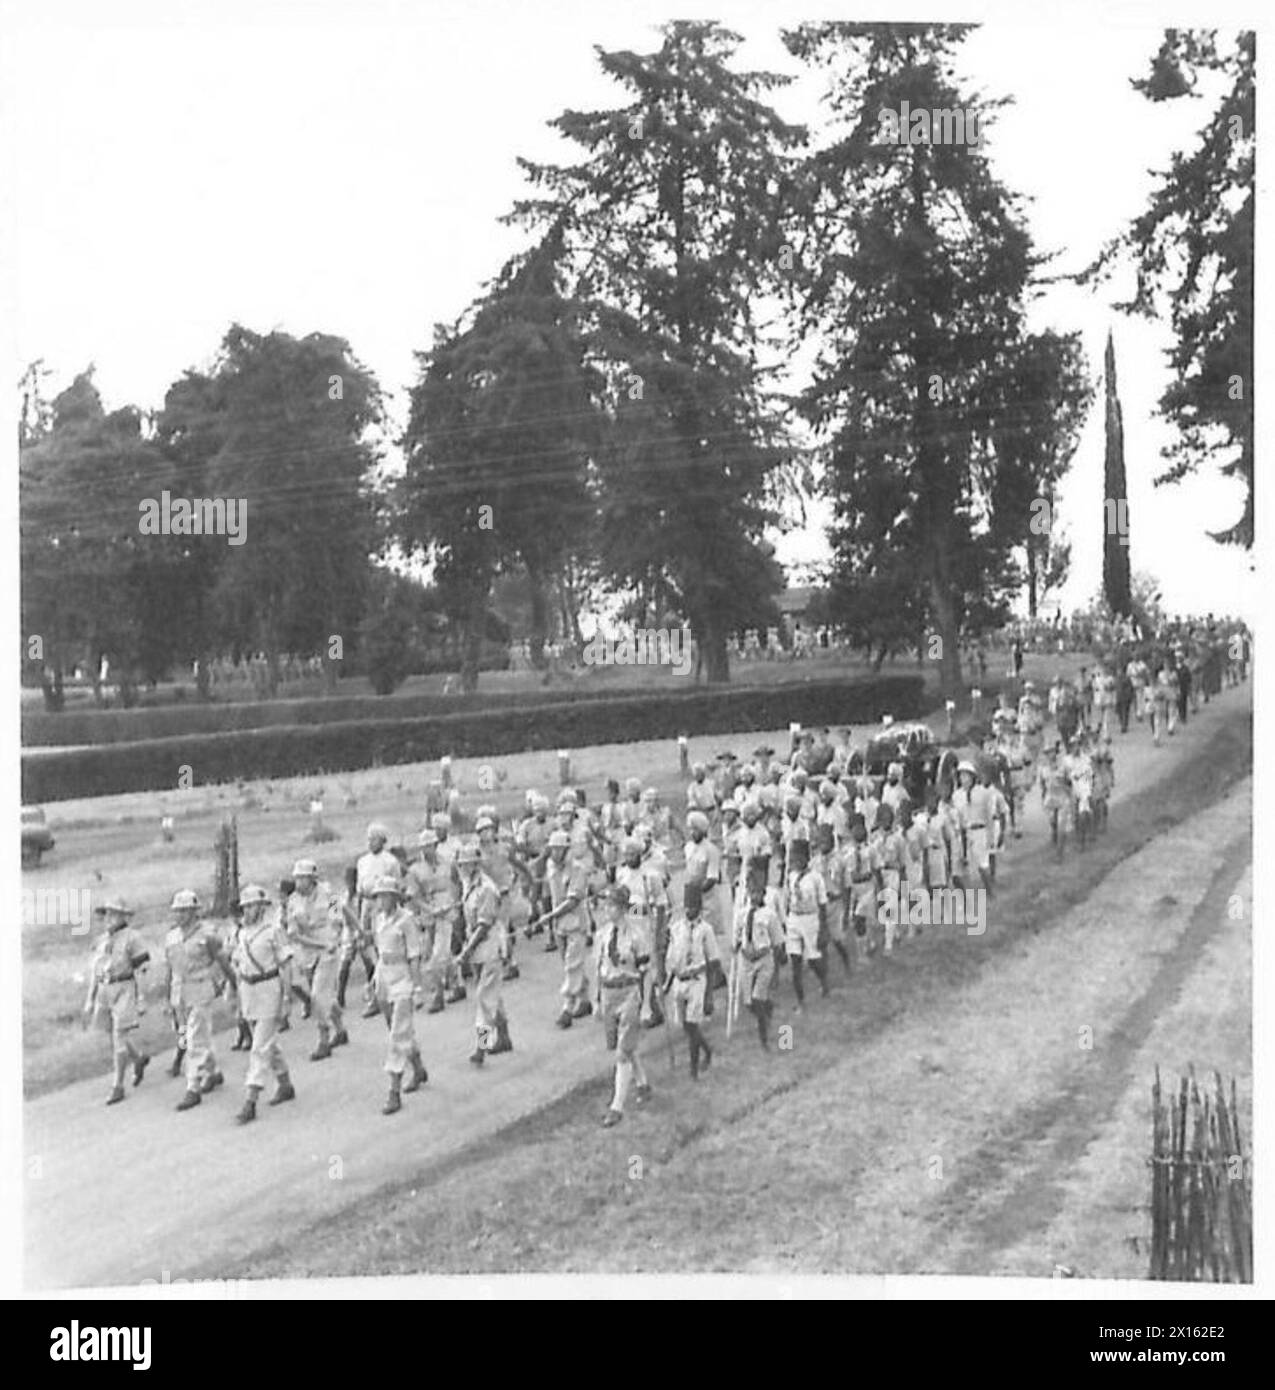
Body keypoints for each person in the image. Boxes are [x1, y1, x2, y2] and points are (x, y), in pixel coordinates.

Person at [229, 884, 296, 1125]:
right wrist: (237, 996)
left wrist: (287, 997)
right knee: (268, 1043)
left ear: (262, 907)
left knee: (258, 1047)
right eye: (245, 906)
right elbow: (237, 965)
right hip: (249, 991)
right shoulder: (240, 934)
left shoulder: (273, 931)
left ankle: (250, 1100)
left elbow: (286, 964)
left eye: (253, 905)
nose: (249, 910)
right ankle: (285, 1083)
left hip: (269, 988)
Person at [165, 889, 234, 1110]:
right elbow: (171, 967)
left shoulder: (207, 934)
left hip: (201, 987)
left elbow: (222, 959)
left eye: (185, 911)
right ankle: (212, 1071)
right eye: (177, 911)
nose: (180, 915)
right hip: (180, 990)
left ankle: (192, 1086)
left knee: (194, 1038)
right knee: (191, 1034)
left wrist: (233, 982)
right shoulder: (172, 937)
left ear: (195, 912)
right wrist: (169, 996)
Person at [367, 877, 428, 1115]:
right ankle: (417, 1065)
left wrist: (417, 987)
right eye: (379, 895)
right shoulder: (379, 918)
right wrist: (375, 978)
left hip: (403, 975)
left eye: (386, 895)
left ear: (395, 897)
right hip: (385, 973)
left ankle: (485, 1043)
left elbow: (414, 955)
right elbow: (377, 947)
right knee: (397, 1029)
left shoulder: (407, 920)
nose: (382, 900)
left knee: (487, 1005)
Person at [83, 899, 152, 1106]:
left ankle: (118, 1086)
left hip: (125, 987)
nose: (108, 919)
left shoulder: (133, 938)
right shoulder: (101, 941)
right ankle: (138, 1058)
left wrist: (141, 998)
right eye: (106, 915)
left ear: (123, 917)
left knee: (119, 1036)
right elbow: (95, 971)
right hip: (105, 989)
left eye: (113, 915)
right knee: (111, 1034)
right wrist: (90, 998)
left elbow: (141, 970)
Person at [595, 884, 652, 1128]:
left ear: (622, 908)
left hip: (629, 990)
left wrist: (647, 1004)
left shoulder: (636, 936)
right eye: (605, 904)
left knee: (622, 1052)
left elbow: (646, 972)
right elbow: (598, 968)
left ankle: (616, 1106)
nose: (606, 909)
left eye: (611, 905)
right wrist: (597, 999)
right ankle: (643, 1084)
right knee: (624, 1046)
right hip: (609, 992)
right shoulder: (602, 935)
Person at [455, 840, 513, 1065]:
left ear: (476, 865)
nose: (463, 868)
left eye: (467, 864)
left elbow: (484, 924)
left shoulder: (486, 888)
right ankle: (504, 1035)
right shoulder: (468, 884)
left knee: (484, 998)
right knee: (491, 994)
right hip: (477, 943)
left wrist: (465, 951)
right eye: (461, 864)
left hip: (487, 944)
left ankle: (482, 1046)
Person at [284, 860, 348, 1061]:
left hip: (328, 950)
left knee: (317, 996)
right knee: (324, 997)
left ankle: (323, 1039)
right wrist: (316, 944)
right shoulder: (293, 901)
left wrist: (336, 937)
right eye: (297, 878)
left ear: (312, 879)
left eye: (302, 878)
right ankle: (340, 1029)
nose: (298, 882)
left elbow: (339, 916)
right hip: (309, 951)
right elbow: (292, 934)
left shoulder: (328, 892)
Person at [663, 881, 721, 1080]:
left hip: (697, 979)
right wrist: (667, 984)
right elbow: (672, 959)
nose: (689, 911)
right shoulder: (676, 929)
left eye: (693, 907)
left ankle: (694, 1069)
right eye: (687, 907)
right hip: (680, 980)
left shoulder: (706, 930)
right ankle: (707, 1049)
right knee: (686, 1026)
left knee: (692, 1023)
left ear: (699, 908)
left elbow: (713, 961)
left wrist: (709, 995)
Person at [541, 829, 595, 1028]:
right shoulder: (551, 867)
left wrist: (548, 916)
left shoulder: (577, 869)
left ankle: (567, 1007)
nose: (555, 854)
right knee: (486, 1002)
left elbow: (572, 901)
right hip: (560, 926)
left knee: (572, 966)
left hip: (574, 923)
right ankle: (497, 1038)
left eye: (559, 850)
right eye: (552, 850)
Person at [615, 835, 669, 1028]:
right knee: (633, 968)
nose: (629, 858)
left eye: (632, 854)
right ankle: (645, 1006)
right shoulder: (621, 874)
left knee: (648, 968)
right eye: (626, 854)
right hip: (628, 927)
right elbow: (620, 902)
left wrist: (660, 931)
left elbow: (661, 904)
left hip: (647, 926)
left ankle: (654, 1008)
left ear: (639, 854)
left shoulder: (651, 876)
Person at [732, 861, 785, 1049]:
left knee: (757, 998)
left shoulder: (769, 915)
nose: (754, 897)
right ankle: (767, 1009)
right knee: (748, 1003)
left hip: (763, 958)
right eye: (751, 892)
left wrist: (777, 964)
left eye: (757, 893)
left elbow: (777, 941)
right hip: (746, 959)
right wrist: (739, 947)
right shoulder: (741, 914)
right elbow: (738, 937)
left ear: (763, 894)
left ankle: (764, 1038)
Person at [781, 837, 828, 1009]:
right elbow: (788, 899)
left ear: (806, 857)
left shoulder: (815, 878)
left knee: (813, 959)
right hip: (794, 918)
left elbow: (822, 903)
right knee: (795, 962)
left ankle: (823, 981)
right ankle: (801, 1001)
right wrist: (785, 920)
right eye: (792, 856)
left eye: (798, 856)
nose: (794, 860)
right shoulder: (791, 876)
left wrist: (823, 926)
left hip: (810, 919)